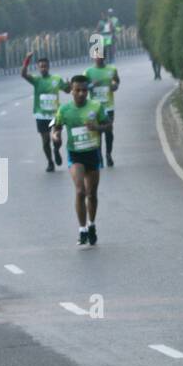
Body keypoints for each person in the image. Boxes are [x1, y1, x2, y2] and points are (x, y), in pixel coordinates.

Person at [50, 75, 111, 246]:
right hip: (75, 154)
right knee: (79, 191)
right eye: (77, 90)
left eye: (84, 90)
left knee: (91, 194)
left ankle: (92, 225)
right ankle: (82, 229)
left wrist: (98, 127)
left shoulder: (96, 106)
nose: (81, 93)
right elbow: (56, 127)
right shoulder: (64, 110)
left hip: (92, 153)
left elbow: (109, 125)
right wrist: (56, 136)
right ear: (71, 90)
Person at [20, 52, 69, 172]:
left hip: (55, 115)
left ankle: (56, 150)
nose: (43, 68)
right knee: (46, 141)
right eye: (41, 66)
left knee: (56, 138)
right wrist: (27, 60)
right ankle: (50, 162)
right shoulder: (36, 80)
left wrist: (69, 85)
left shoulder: (56, 79)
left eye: (45, 66)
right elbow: (23, 74)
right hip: (41, 115)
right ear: (38, 68)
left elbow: (67, 91)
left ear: (48, 66)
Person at [85, 48, 120, 167]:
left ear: (104, 56)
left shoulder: (112, 69)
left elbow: (117, 83)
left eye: (100, 56)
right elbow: (83, 88)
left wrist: (114, 86)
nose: (98, 58)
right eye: (96, 56)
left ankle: (108, 154)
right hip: (95, 109)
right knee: (98, 132)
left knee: (109, 131)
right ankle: (99, 156)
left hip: (108, 107)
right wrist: (91, 85)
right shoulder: (88, 72)